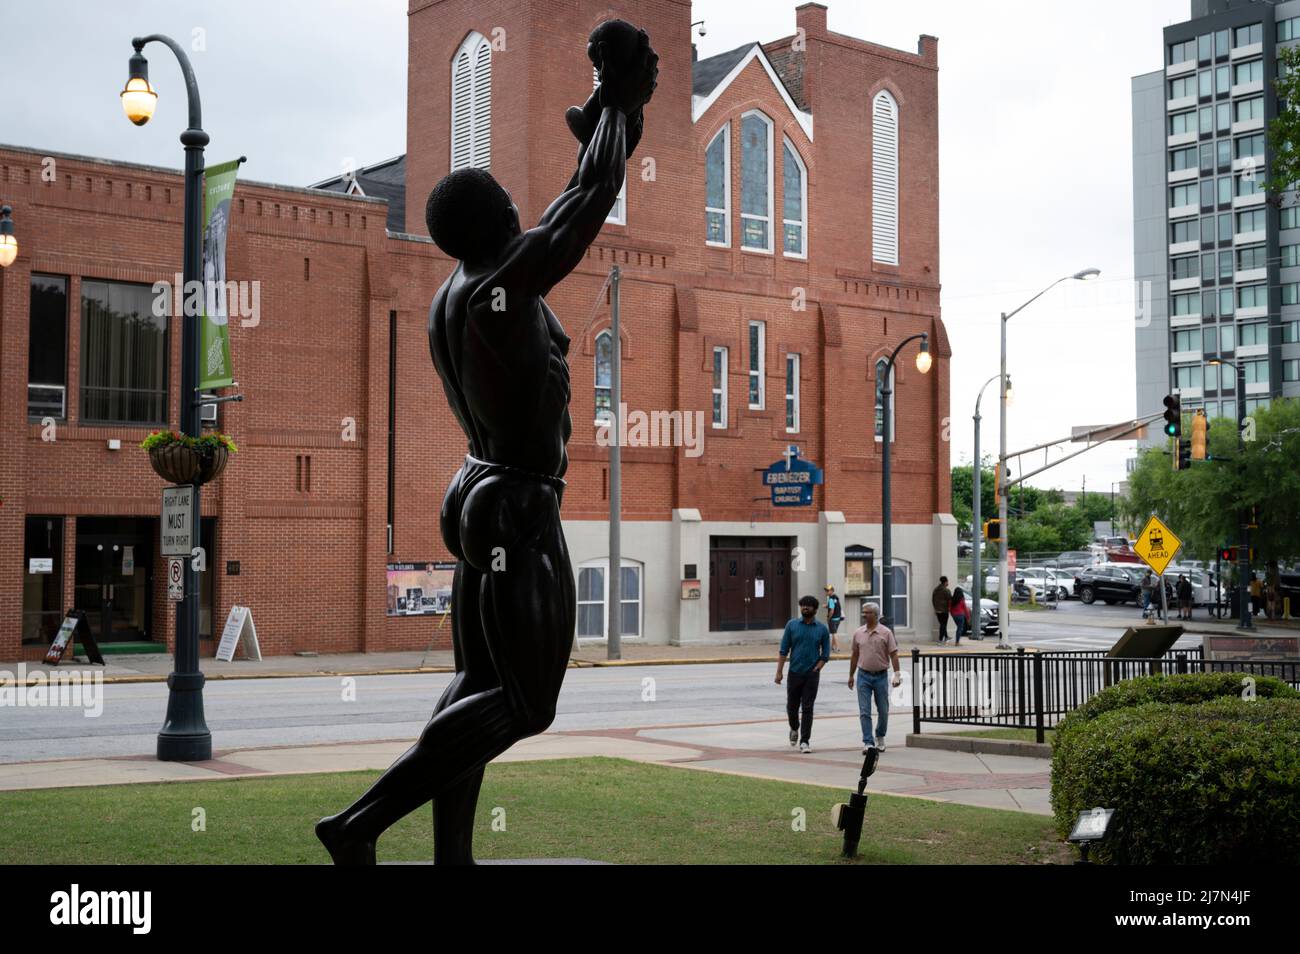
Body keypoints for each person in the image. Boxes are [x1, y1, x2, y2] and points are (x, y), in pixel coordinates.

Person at [315, 26, 659, 866]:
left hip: (478, 489)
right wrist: (619, 96)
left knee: (478, 686)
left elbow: (578, 193)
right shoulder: (502, 287)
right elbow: (589, 200)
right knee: (527, 702)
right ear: (494, 218)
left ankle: (452, 857)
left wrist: (617, 122)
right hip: (516, 503)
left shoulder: (464, 288)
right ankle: (359, 824)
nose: (521, 205)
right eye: (509, 199)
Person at [776, 595, 831, 753]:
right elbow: (783, 649)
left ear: (814, 609)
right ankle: (794, 728)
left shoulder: (821, 629)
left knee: (808, 708)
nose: (805, 608)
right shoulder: (792, 625)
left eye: (808, 606)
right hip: (794, 672)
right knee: (791, 707)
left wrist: (817, 668)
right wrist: (779, 672)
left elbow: (825, 653)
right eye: (802, 605)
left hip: (811, 675)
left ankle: (805, 741)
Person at [849, 603, 902, 753]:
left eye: (867, 612)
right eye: (863, 612)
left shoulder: (886, 633)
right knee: (864, 710)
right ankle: (868, 742)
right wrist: (851, 675)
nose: (864, 615)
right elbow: (854, 655)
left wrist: (897, 674)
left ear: (875, 615)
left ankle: (880, 736)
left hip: (880, 676)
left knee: (883, 710)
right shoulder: (858, 633)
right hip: (863, 676)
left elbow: (894, 654)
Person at [824, 584, 845, 653]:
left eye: (828, 590)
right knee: (834, 632)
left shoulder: (831, 599)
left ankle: (837, 648)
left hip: (833, 619)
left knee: (834, 633)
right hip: (838, 618)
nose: (826, 592)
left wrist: (828, 618)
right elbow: (834, 605)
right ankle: (833, 647)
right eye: (826, 590)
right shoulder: (836, 598)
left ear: (832, 591)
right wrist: (827, 606)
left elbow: (832, 610)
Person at [932, 575, 952, 644]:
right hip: (944, 610)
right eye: (947, 581)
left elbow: (933, 599)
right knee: (943, 625)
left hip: (937, 610)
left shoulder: (935, 589)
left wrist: (935, 608)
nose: (948, 583)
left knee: (942, 624)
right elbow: (950, 599)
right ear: (945, 582)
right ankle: (940, 639)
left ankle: (946, 636)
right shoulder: (946, 590)